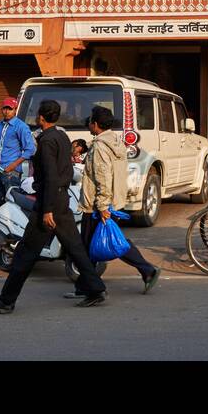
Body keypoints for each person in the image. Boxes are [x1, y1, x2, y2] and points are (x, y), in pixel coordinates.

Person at [0, 100, 107, 313]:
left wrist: (47, 210)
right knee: (75, 247)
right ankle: (95, 288)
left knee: (25, 253)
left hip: (49, 203)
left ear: (41, 117)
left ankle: (6, 300)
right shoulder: (62, 136)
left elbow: (51, 177)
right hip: (62, 200)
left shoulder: (46, 141)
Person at [70, 107, 159, 298]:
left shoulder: (101, 146)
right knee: (103, 243)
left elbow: (102, 176)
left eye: (90, 121)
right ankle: (85, 286)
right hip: (113, 200)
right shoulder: (114, 141)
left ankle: (146, 270)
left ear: (96, 124)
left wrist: (102, 207)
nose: (88, 124)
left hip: (98, 205)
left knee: (99, 245)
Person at [0, 97, 35, 213]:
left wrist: (13, 165)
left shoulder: (21, 127)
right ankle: (0, 227)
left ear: (15, 110)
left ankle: (14, 228)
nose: (6, 111)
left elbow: (30, 149)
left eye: (10, 109)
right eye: (4, 108)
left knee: (13, 202)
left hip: (11, 172)